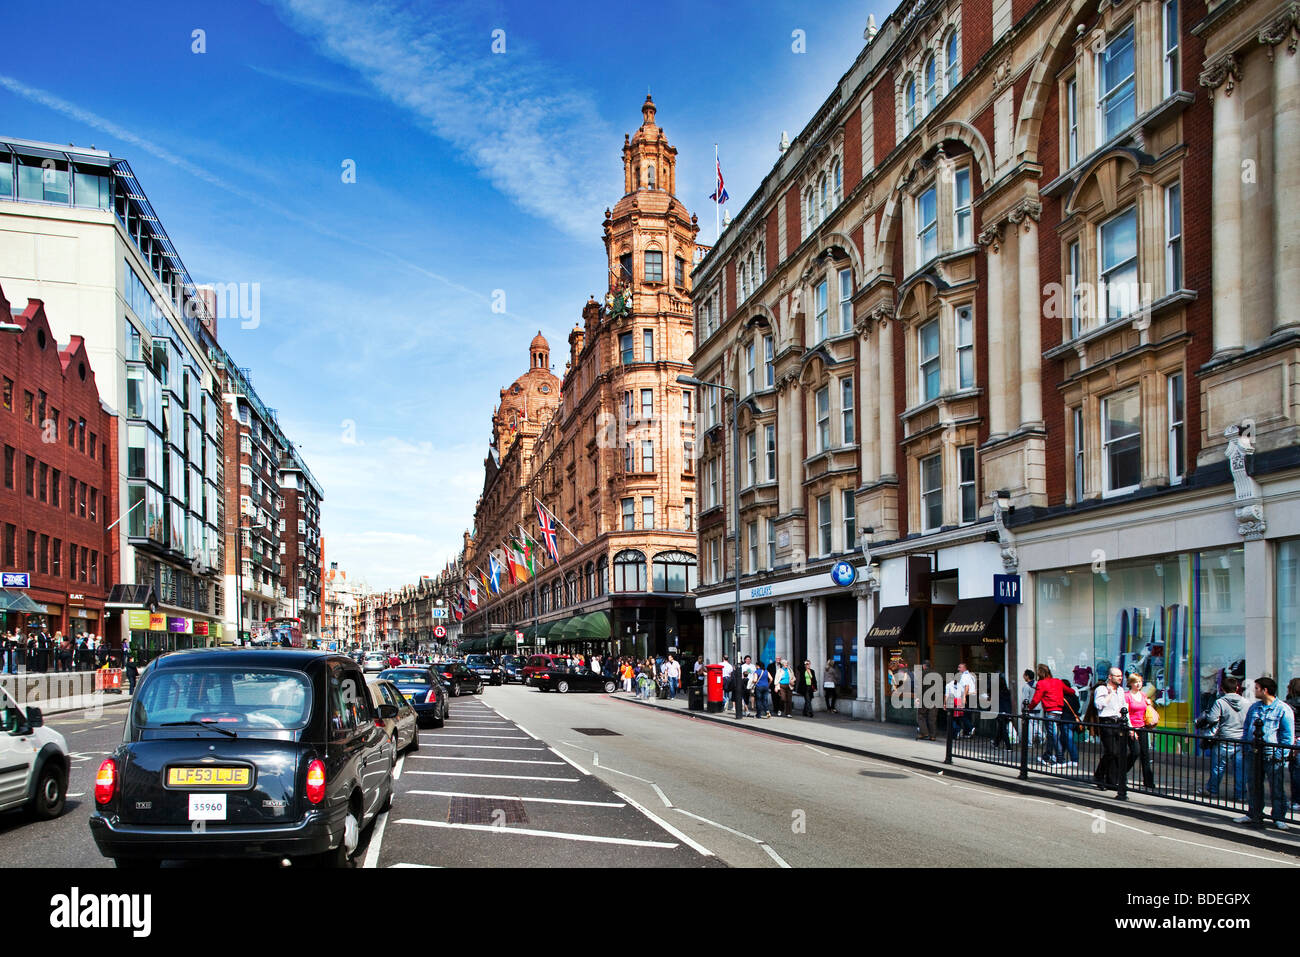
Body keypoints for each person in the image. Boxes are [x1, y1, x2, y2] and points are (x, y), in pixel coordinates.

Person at [1235, 676, 1295, 829]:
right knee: (1253, 785)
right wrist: (1244, 746)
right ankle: (1254, 813)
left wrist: (1280, 753)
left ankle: (1279, 817)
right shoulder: (1254, 708)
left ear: (1265, 690)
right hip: (1252, 752)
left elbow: (1287, 736)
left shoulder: (1283, 709)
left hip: (1272, 753)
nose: (1254, 691)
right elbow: (1247, 727)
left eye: (1256, 688)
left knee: (1276, 787)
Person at [1197, 675, 1248, 797]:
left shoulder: (1220, 702)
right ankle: (1240, 794)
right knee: (1240, 770)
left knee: (1218, 768)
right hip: (1240, 740)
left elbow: (1211, 718)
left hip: (1223, 739)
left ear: (1222, 689)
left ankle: (1212, 790)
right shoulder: (1246, 702)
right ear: (1237, 688)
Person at [1092, 668, 1128, 790]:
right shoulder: (1102, 689)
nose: (1120, 678)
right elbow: (1099, 704)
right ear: (1110, 677)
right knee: (1111, 751)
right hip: (1106, 721)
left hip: (1118, 722)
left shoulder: (1121, 690)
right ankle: (1099, 776)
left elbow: (1123, 706)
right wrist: (1110, 693)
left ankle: (1111, 781)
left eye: (1121, 676)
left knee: (1117, 753)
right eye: (1117, 676)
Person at [1026, 664, 1068, 765]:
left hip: (1050, 711)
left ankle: (1060, 759)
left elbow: (1036, 699)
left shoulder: (1041, 683)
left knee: (1053, 735)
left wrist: (1029, 708)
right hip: (1058, 711)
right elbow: (1069, 690)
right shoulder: (1057, 681)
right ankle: (1047, 756)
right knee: (1051, 735)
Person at [1123, 673, 1156, 789]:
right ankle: (1121, 773)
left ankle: (1148, 781)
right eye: (1136, 682)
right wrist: (1131, 729)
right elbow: (1125, 713)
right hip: (1131, 727)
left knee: (1145, 754)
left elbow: (1147, 709)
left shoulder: (1143, 695)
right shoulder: (1127, 696)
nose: (1139, 684)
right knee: (1135, 752)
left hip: (1142, 727)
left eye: (1140, 682)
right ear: (1130, 683)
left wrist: (1149, 704)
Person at [953, 663, 977, 738]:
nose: (958, 669)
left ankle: (970, 728)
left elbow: (966, 686)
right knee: (967, 714)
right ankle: (968, 732)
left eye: (960, 667)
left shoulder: (965, 675)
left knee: (962, 714)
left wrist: (964, 697)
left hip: (967, 696)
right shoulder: (971, 675)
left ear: (964, 668)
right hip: (972, 696)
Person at [916, 660, 938, 741]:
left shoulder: (922, 674)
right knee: (932, 718)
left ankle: (924, 733)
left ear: (924, 666)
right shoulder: (937, 674)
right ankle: (933, 736)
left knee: (921, 716)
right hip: (936, 699)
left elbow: (919, 688)